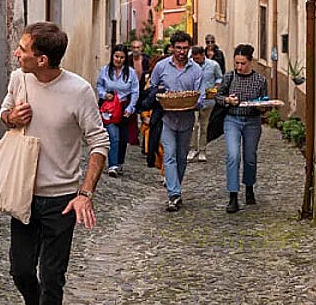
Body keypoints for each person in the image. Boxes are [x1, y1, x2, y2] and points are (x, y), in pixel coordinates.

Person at [0, 22, 108, 305]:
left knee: (52, 277)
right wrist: (11, 118)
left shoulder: (79, 91)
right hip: (23, 194)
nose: (17, 53)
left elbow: (99, 144)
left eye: (23, 49)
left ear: (42, 59)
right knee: (21, 271)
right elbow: (4, 114)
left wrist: (85, 192)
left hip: (61, 200)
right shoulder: (20, 79)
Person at [148, 31, 205, 211]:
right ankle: (174, 194)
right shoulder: (161, 67)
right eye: (178, 48)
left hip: (187, 119)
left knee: (181, 157)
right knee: (170, 154)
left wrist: (196, 102)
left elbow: (200, 95)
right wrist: (160, 94)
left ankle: (176, 187)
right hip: (167, 118)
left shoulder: (196, 70)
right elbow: (153, 87)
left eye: (185, 48)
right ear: (172, 48)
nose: (181, 51)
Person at [218, 44, 270, 213]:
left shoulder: (260, 80)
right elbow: (218, 96)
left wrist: (262, 107)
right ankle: (233, 196)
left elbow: (265, 101)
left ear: (251, 62)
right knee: (233, 156)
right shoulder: (229, 77)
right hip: (232, 119)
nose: (239, 67)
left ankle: (249, 188)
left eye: (243, 63)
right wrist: (227, 100)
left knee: (249, 157)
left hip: (252, 121)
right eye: (237, 63)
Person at [96, 44, 139, 177]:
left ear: (125, 58)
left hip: (124, 106)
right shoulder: (105, 70)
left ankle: (120, 162)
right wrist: (104, 95)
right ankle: (112, 165)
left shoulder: (131, 73)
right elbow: (99, 85)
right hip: (109, 108)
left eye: (121, 57)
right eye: (116, 56)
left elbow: (135, 91)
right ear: (112, 56)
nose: (118, 60)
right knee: (113, 136)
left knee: (123, 137)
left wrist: (131, 107)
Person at [187, 45, 223, 162]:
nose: (196, 61)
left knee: (204, 126)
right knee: (194, 126)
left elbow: (219, 78)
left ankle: (202, 150)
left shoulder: (213, 65)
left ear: (203, 55)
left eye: (198, 58)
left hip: (208, 101)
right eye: (194, 58)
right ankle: (192, 148)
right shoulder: (189, 65)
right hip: (193, 100)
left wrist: (216, 87)